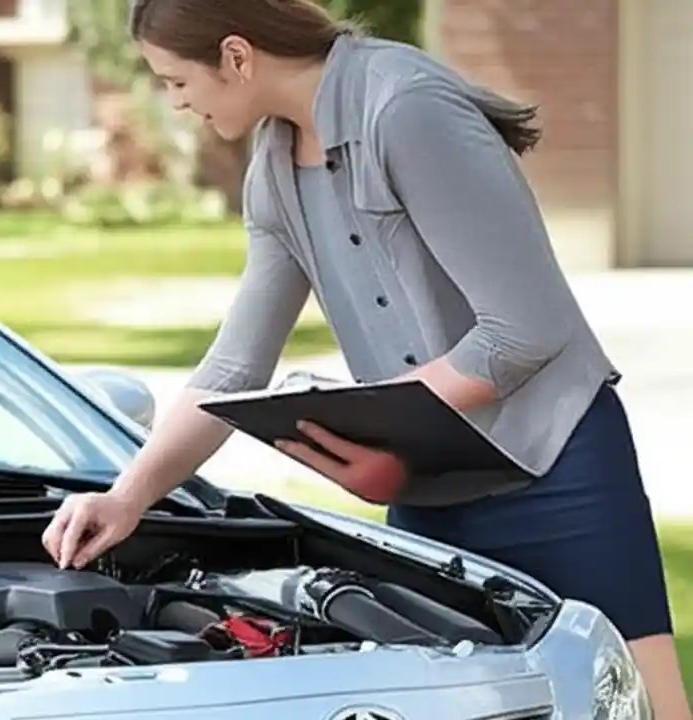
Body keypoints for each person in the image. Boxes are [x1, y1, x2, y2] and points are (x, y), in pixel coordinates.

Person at [40, 0, 692, 716]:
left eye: (175, 80)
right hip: (430, 483)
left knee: (645, 701)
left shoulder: (407, 109)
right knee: (463, 704)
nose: (175, 101)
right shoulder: (275, 170)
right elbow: (234, 369)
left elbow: (525, 329)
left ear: (236, 55)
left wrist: (390, 431)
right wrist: (127, 496)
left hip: (556, 463)